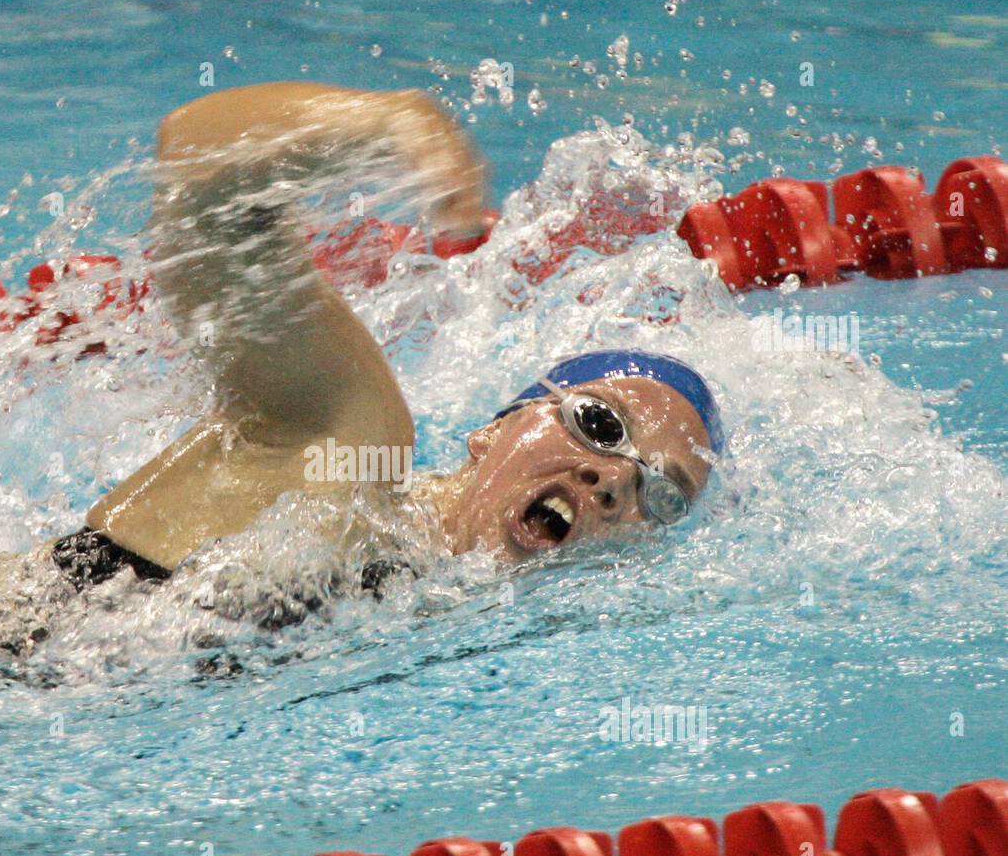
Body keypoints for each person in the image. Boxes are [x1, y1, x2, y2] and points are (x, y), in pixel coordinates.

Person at [40, 82, 724, 592]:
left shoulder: (442, 603)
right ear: (492, 430)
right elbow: (200, 172)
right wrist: (389, 121)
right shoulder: (350, 452)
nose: (612, 481)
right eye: (600, 424)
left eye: (661, 494)